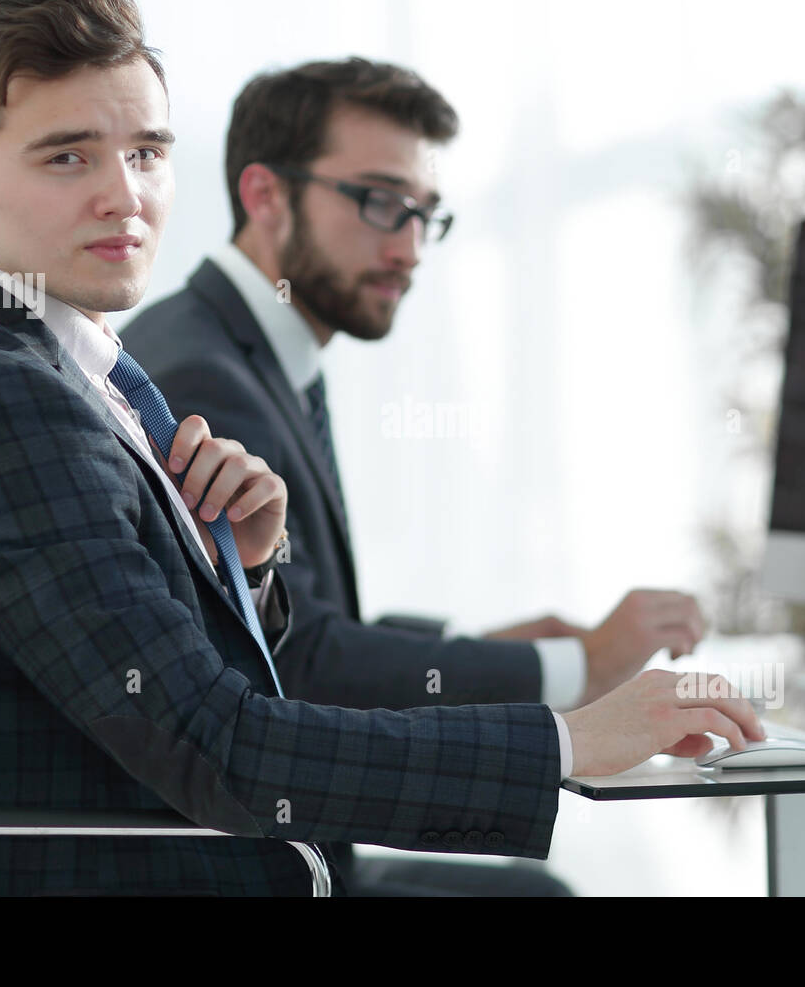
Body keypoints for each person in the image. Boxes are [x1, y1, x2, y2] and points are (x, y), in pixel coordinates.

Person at [0, 0, 762, 897]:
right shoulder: (0, 399)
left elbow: (159, 674)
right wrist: (571, 737)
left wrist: (246, 567)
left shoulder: (32, 362)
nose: (127, 196)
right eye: (69, 156)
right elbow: (216, 743)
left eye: (148, 152)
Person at [120, 58, 715, 893]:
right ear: (264, 195)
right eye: (379, 202)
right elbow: (305, 666)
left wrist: (506, 649)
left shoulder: (257, 351)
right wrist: (578, 666)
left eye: (425, 217)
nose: (407, 248)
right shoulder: (206, 378)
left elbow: (301, 623)